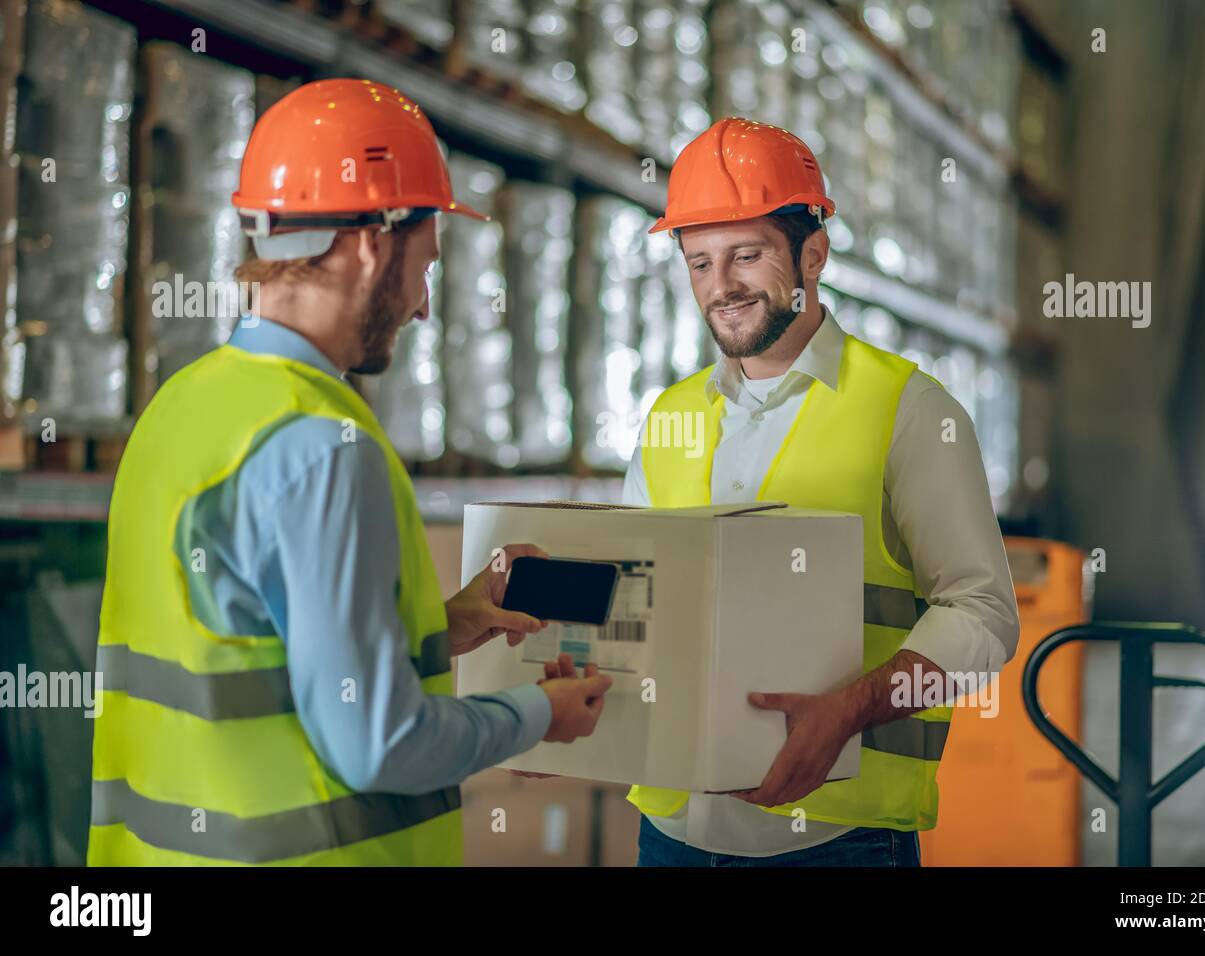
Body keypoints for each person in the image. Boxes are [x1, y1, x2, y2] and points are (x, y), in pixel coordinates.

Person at [87, 79, 611, 866]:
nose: (423, 306)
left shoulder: (179, 407)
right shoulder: (324, 445)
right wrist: (540, 713)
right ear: (372, 244)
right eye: (424, 265)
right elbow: (379, 745)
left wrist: (450, 624)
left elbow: (252, 644)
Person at [619, 116, 1020, 866]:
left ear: (814, 255)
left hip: (839, 839)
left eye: (747, 255)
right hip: (671, 832)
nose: (722, 287)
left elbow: (986, 616)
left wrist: (850, 712)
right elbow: (633, 601)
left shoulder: (907, 408)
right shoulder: (669, 416)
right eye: (699, 262)